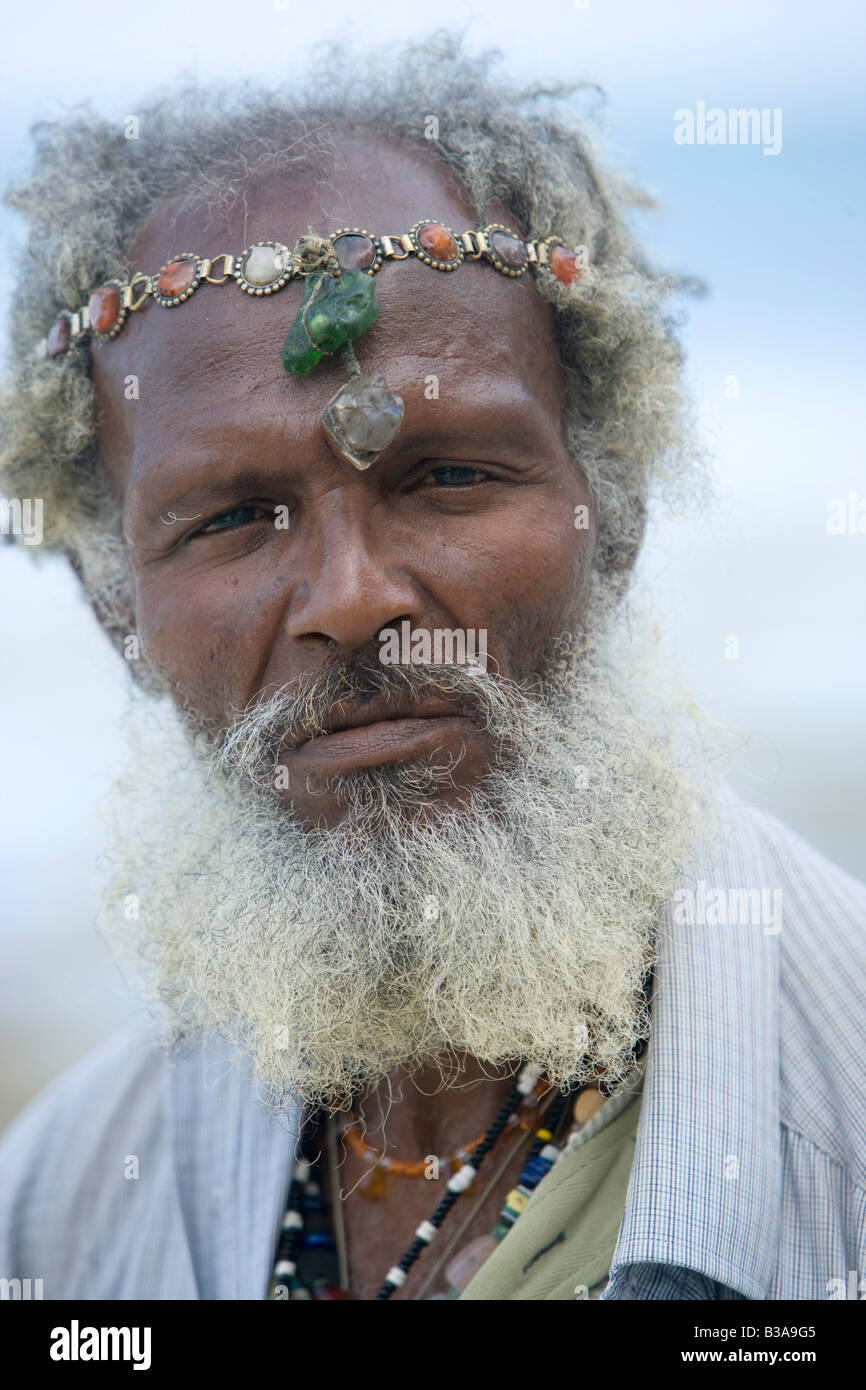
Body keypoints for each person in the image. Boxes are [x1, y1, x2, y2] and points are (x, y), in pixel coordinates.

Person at [1, 35, 864, 1301]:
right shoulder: (61, 1217)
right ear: (114, 607)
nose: (353, 601)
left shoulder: (830, 1133)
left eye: (450, 476)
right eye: (234, 517)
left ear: (611, 511)